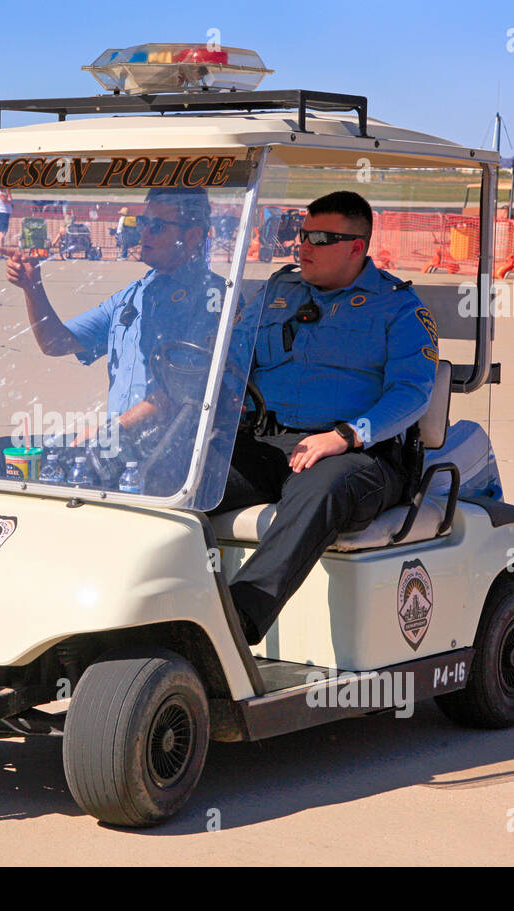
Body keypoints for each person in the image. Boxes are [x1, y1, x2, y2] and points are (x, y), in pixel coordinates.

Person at [209, 190, 437, 646]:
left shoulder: (397, 308)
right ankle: (165, 598)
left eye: (321, 237)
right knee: (187, 472)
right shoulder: (278, 292)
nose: (304, 246)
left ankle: (233, 623)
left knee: (320, 488)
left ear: (357, 247)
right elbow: (230, 357)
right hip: (268, 442)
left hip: (360, 456)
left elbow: (412, 393)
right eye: (303, 234)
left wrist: (347, 435)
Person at [7, 186, 227, 440]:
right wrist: (33, 288)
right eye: (144, 222)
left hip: (171, 450)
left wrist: (111, 430)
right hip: (119, 441)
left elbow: (182, 391)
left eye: (157, 226)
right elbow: (56, 343)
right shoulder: (132, 296)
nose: (144, 232)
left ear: (192, 236)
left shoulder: (213, 297)